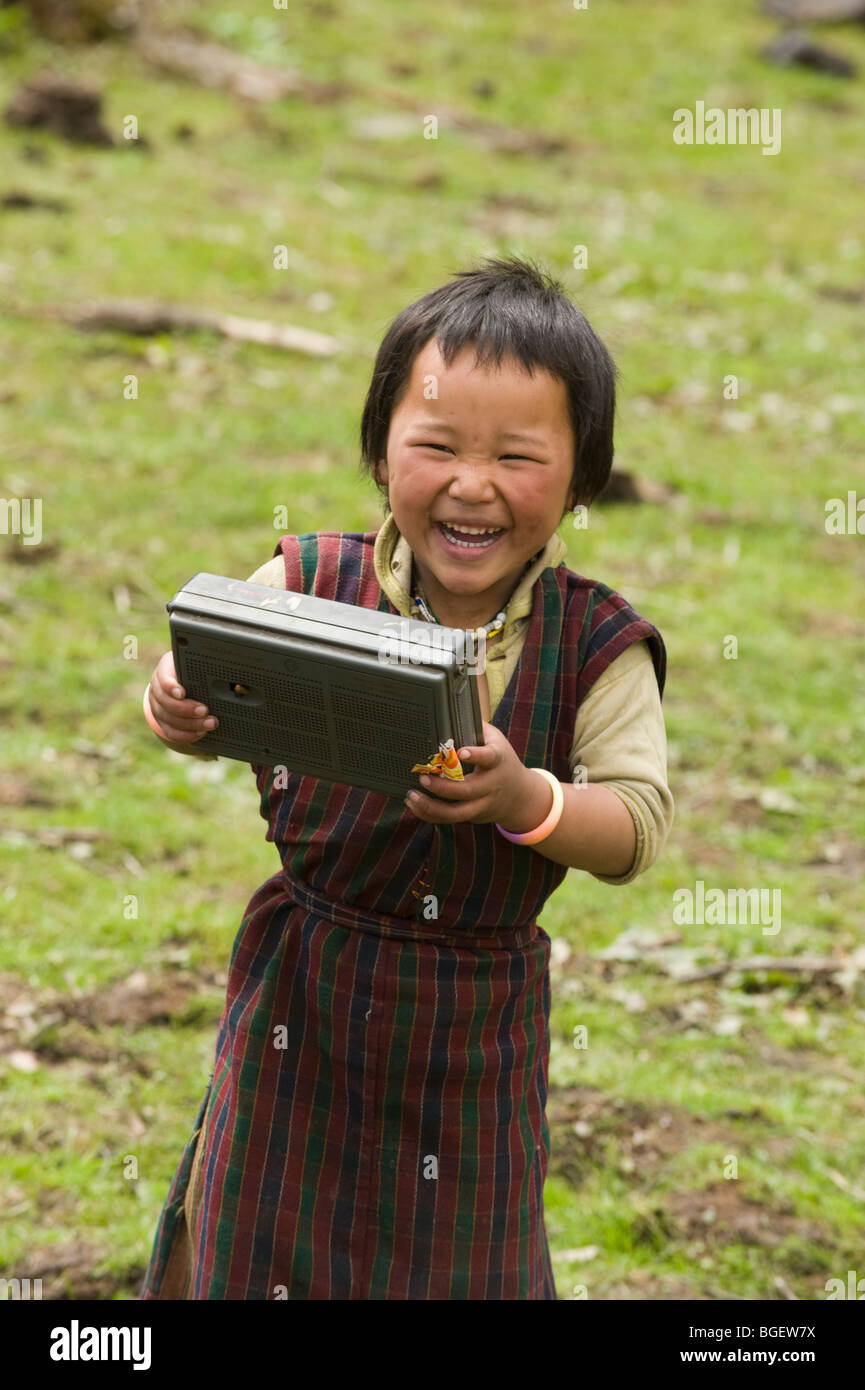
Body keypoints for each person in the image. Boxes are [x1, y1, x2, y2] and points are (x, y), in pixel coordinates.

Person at [139, 255, 674, 1300]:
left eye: (518, 457)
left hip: (472, 1028)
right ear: (382, 457)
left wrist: (528, 801)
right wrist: (176, 703)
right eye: (435, 446)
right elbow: (210, 682)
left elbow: (635, 826)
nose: (472, 485)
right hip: (304, 982)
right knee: (255, 1239)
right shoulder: (307, 582)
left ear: (581, 478)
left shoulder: (597, 644)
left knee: (460, 1270)